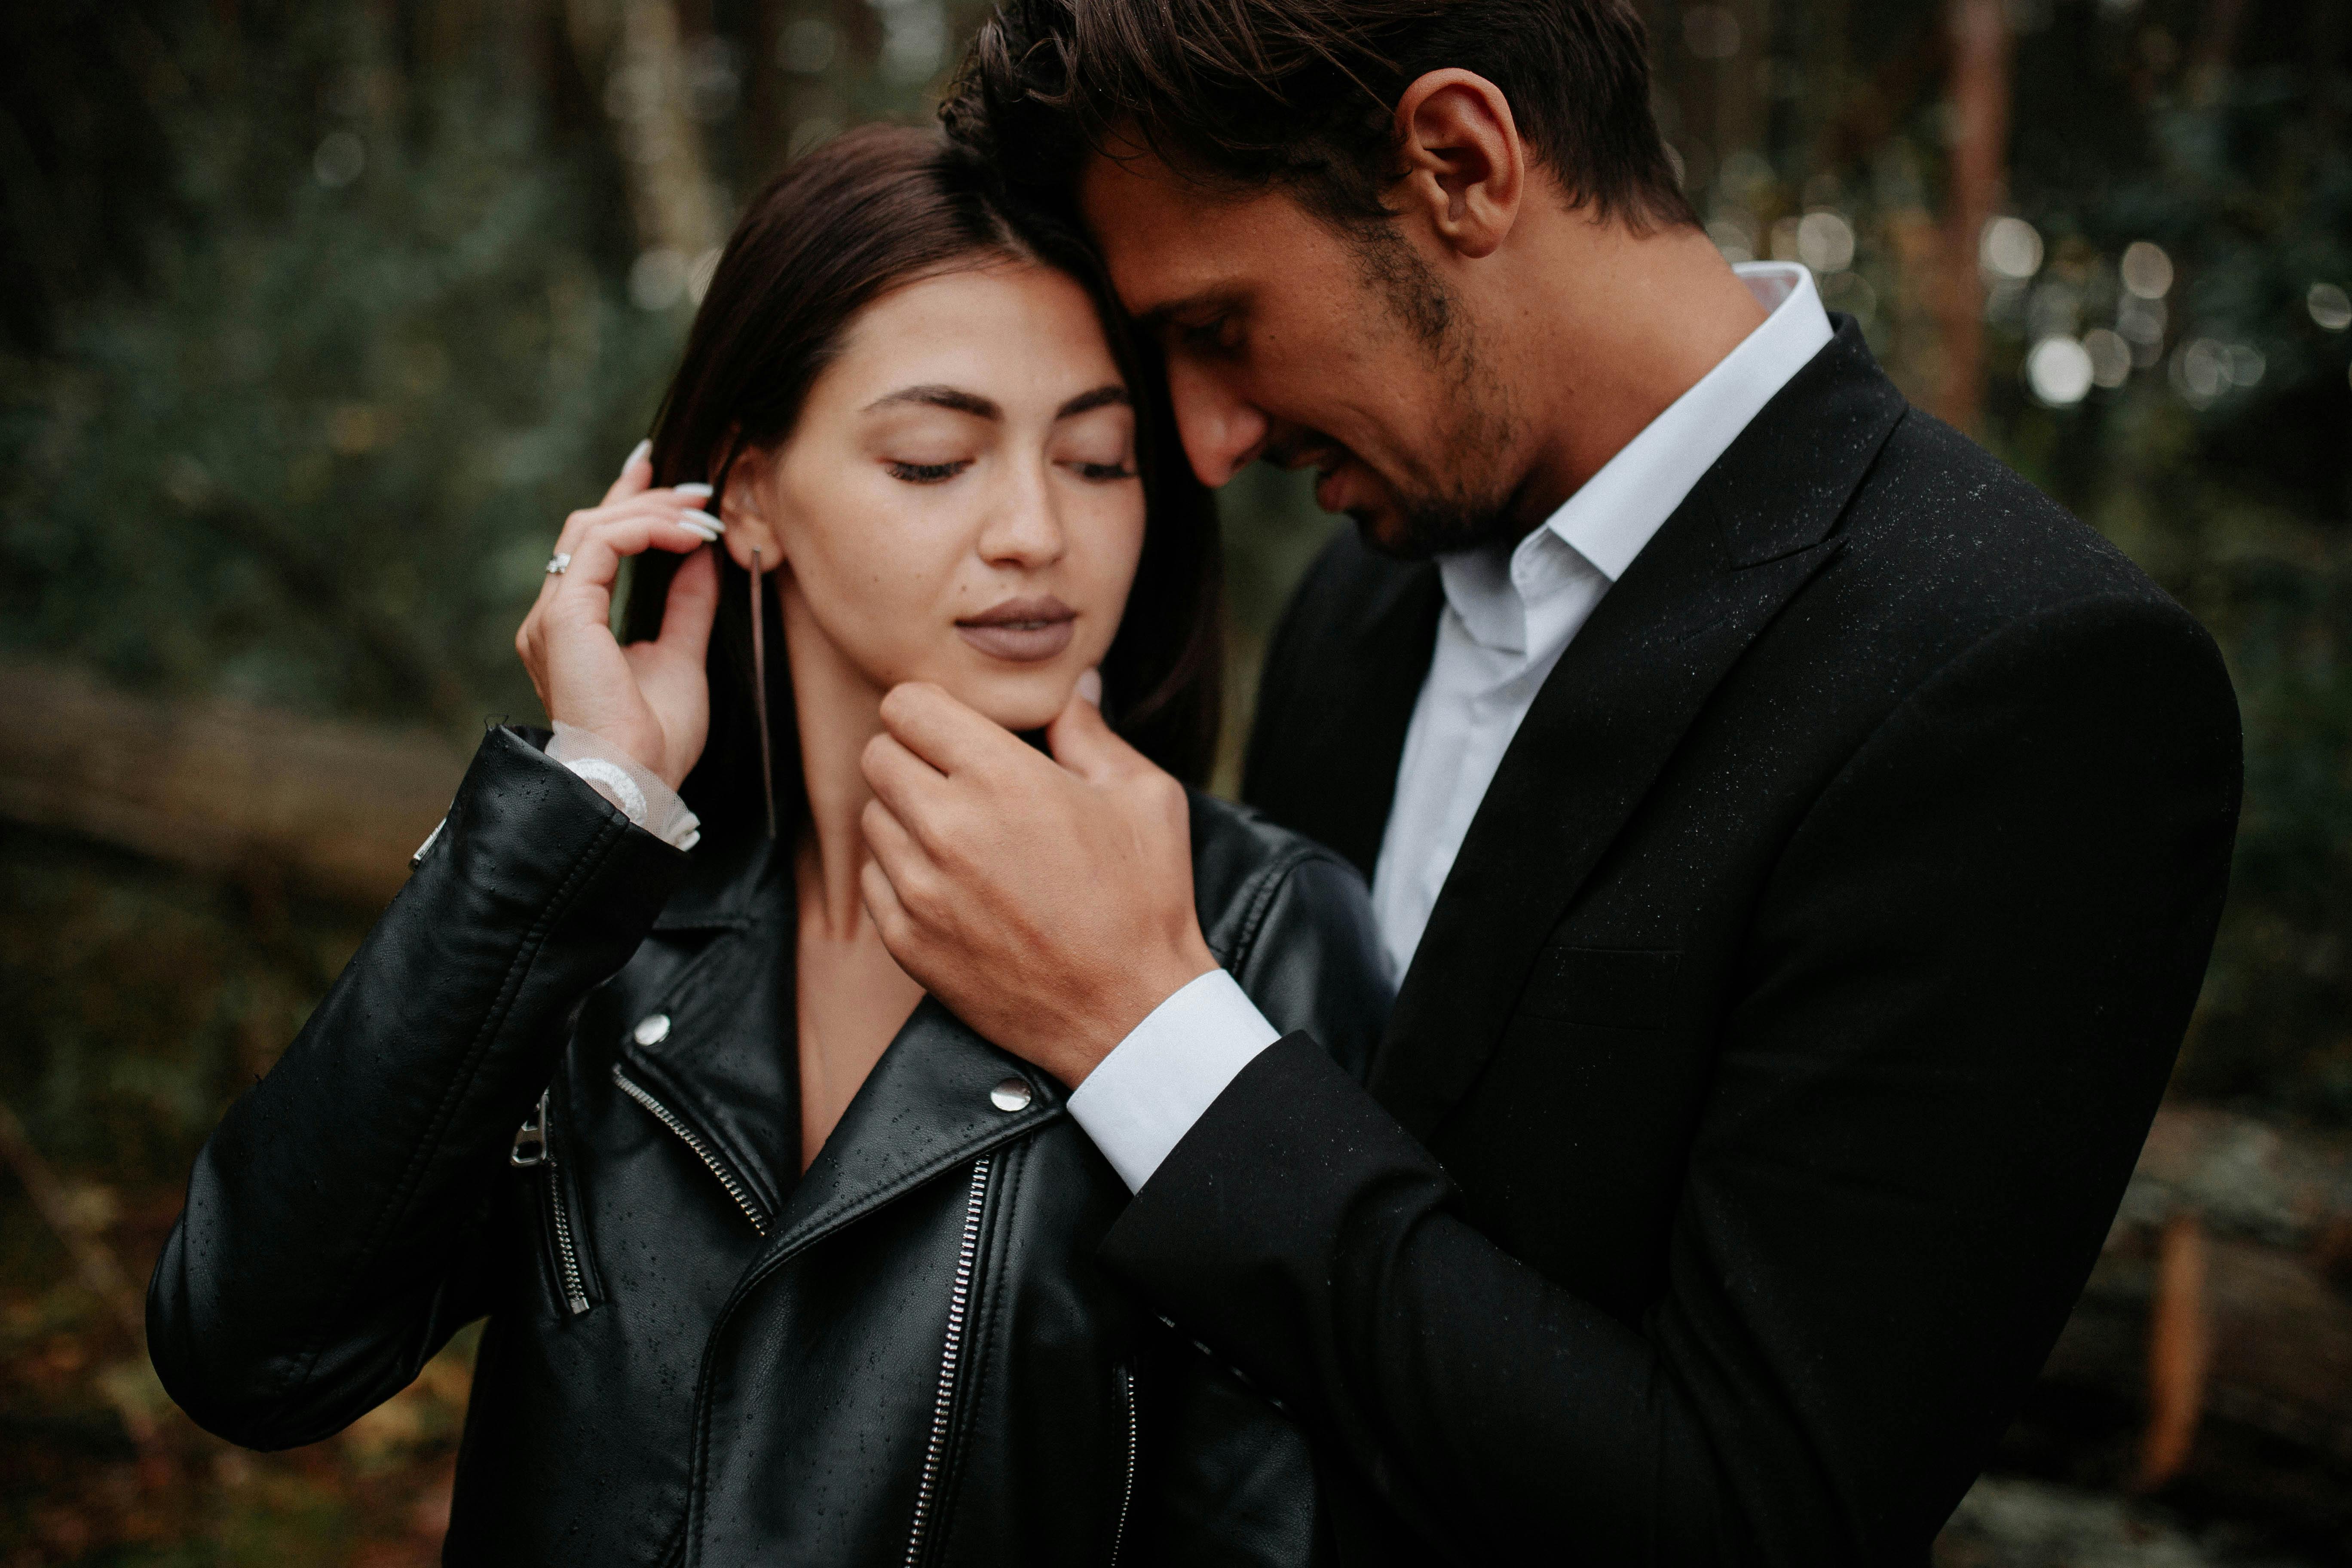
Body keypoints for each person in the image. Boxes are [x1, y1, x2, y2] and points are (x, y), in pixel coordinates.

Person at [838, 3, 2248, 1564]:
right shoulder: (1363, 609)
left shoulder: (2021, 680)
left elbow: (1752, 1514)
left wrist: (1143, 1033)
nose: (1211, 444)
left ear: (1461, 163)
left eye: (1219, 327)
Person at [145, 126, 1390, 1566]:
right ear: (746, 497)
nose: (1037, 531)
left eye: (1099, 460)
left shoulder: (1254, 932)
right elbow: (251, 1348)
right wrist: (579, 805)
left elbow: (1277, 1527)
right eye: (935, 460)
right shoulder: (602, 910)